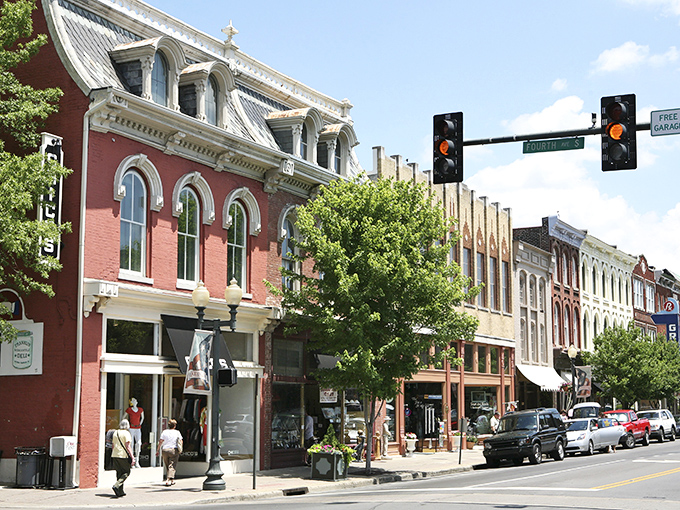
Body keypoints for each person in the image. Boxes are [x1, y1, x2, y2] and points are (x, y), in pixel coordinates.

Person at [111, 419, 135, 498]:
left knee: (119, 472)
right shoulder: (126, 433)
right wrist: (132, 457)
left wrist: (113, 453)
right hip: (123, 455)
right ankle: (116, 485)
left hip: (115, 454)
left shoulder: (116, 432)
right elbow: (128, 446)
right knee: (126, 472)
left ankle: (120, 491)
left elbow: (113, 445)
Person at [157, 418, 183, 486]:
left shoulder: (164, 432)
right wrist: (180, 449)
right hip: (173, 450)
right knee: (172, 466)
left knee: (168, 465)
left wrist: (158, 449)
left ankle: (172, 480)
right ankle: (168, 479)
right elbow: (181, 441)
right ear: (174, 426)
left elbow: (160, 441)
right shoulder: (177, 432)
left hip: (165, 450)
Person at [124, 398, 144, 467]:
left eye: (135, 401)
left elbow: (142, 418)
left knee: (138, 443)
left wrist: (140, 424)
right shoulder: (129, 410)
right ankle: (132, 460)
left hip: (138, 428)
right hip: (131, 428)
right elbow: (124, 417)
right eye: (133, 401)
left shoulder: (140, 410)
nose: (134, 402)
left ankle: (137, 460)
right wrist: (127, 425)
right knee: (131, 444)